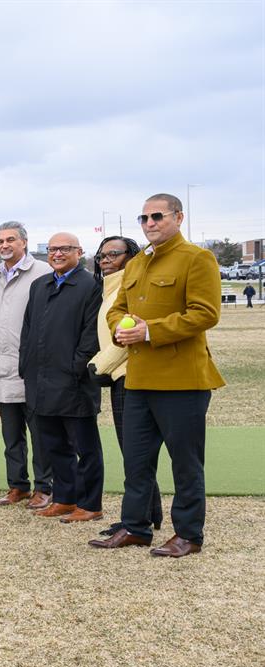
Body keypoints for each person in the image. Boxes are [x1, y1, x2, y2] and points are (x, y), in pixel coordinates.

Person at [90, 193, 225, 557]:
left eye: (157, 216)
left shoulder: (197, 258)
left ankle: (188, 535)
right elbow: (117, 309)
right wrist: (124, 326)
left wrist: (149, 331)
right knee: (136, 461)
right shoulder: (137, 265)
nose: (150, 223)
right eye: (144, 218)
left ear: (178, 218)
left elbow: (206, 313)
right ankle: (135, 527)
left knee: (185, 464)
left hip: (182, 380)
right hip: (138, 379)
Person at [20, 232, 105, 523]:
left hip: (75, 382)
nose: (57, 254)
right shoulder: (39, 286)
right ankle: (65, 499)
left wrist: (75, 367)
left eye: (65, 249)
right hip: (41, 381)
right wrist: (26, 366)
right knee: (55, 446)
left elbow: (91, 334)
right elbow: (28, 330)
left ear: (79, 251)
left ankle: (90, 503)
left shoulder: (90, 286)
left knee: (85, 448)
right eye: (53, 249)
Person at [0, 221, 54, 508]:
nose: (4, 245)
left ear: (24, 242)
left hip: (33, 368)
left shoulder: (43, 273)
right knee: (11, 436)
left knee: (41, 434)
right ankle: (17, 485)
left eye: (10, 239)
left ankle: (45, 487)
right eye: (0, 241)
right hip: (0, 368)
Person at [88, 235, 158, 534]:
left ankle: (138, 518)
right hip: (119, 377)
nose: (105, 260)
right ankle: (146, 513)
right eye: (101, 255)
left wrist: (98, 365)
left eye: (113, 254)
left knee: (135, 453)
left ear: (131, 256)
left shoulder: (132, 285)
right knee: (132, 452)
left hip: (130, 376)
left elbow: (127, 336)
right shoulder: (109, 288)